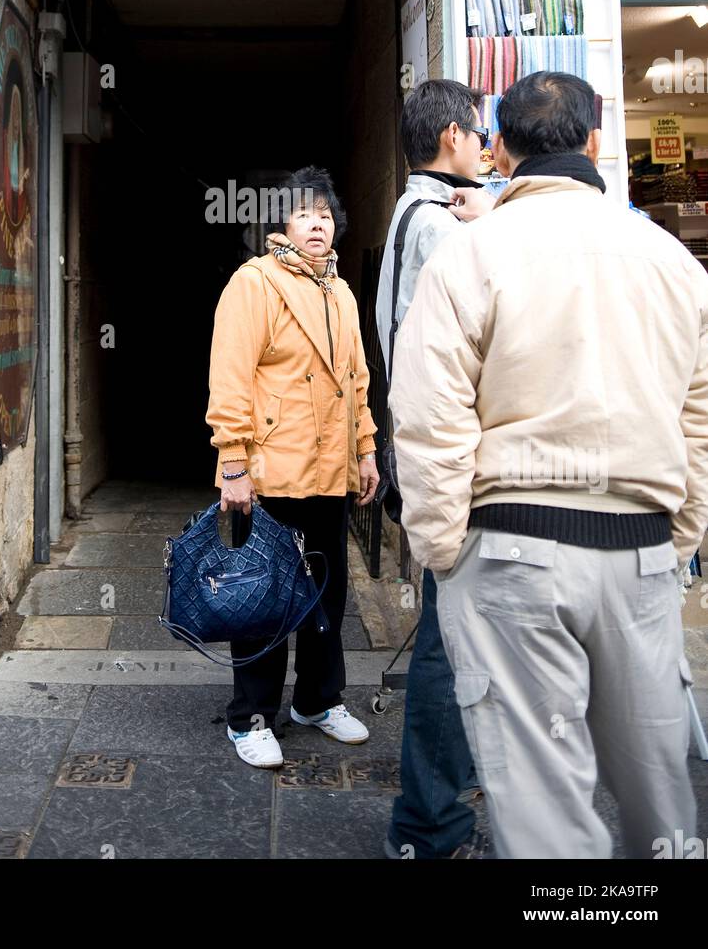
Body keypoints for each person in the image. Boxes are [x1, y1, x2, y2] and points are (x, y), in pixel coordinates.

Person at [390, 71, 708, 859]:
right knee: (660, 795)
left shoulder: (470, 256)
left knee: (542, 806)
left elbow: (428, 415)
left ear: (499, 146)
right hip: (639, 551)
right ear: (595, 142)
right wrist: (680, 537)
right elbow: (698, 415)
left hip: (510, 550)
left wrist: (441, 552)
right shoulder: (670, 261)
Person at [206, 166, 380, 768]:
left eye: (326, 215)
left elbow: (356, 381)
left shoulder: (342, 292)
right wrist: (233, 462)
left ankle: (318, 700)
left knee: (327, 595)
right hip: (271, 470)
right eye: (305, 213)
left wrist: (365, 449)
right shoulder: (254, 283)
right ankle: (249, 716)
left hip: (329, 470)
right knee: (263, 597)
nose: (317, 223)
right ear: (282, 223)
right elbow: (230, 377)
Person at [375, 80, 495, 861]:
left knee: (451, 638)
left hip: (428, 456)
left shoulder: (409, 210)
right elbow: (462, 358)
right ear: (452, 135)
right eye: (480, 131)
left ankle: (436, 810)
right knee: (449, 647)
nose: (487, 143)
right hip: (458, 461)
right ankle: (428, 824)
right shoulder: (445, 229)